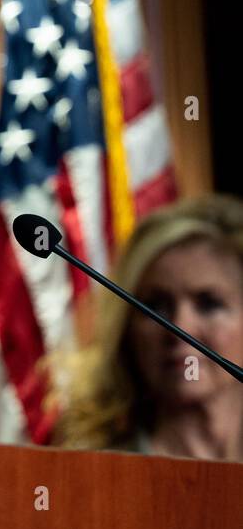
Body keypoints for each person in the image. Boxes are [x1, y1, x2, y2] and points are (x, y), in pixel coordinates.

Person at [51, 194, 243, 461]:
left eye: (209, 304)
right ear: (127, 327)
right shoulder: (92, 476)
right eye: (155, 306)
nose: (180, 329)